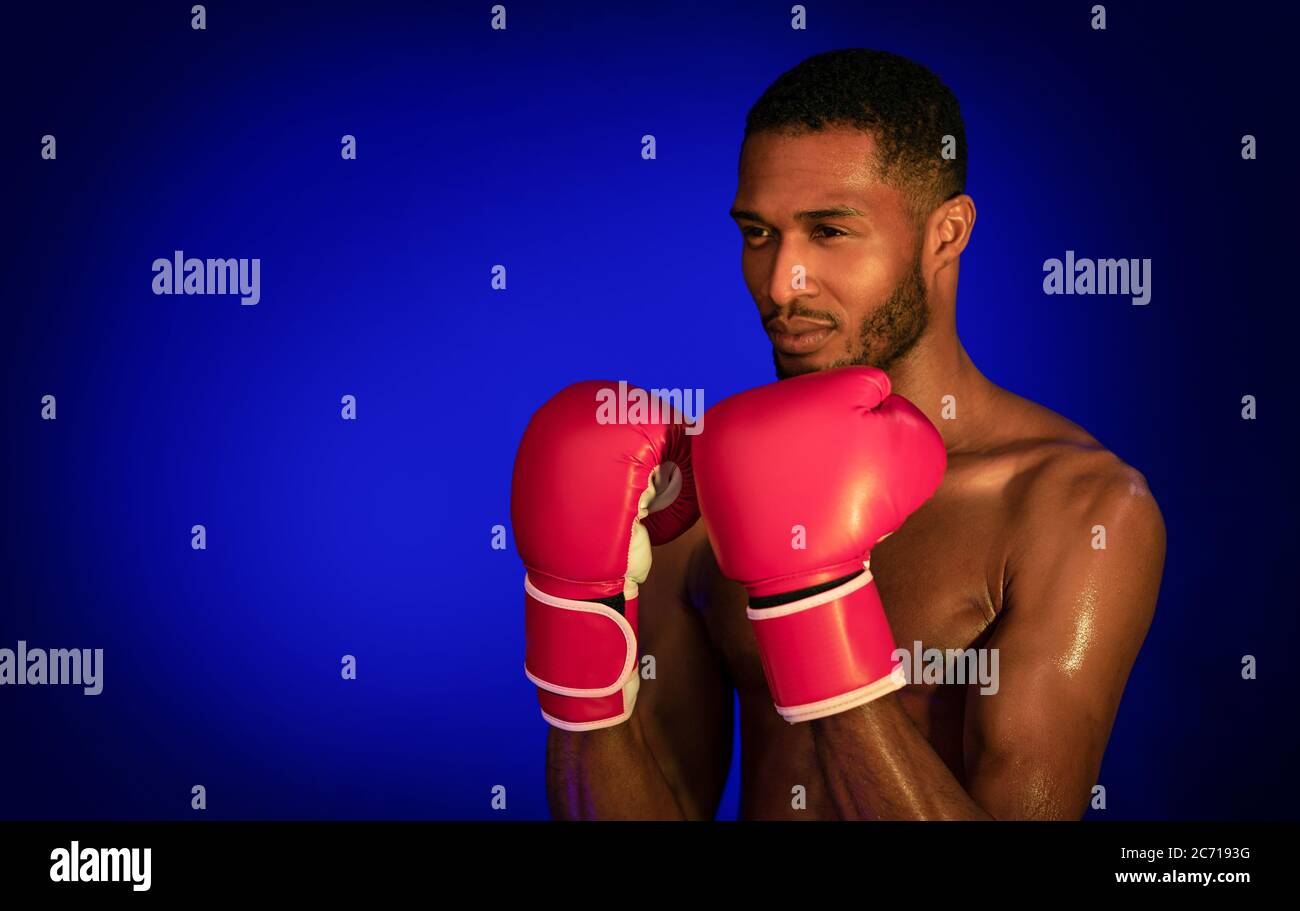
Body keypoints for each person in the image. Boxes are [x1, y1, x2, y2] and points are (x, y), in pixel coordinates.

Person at [513, 48, 1166, 820]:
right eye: (759, 233)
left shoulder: (1076, 508)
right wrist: (578, 652)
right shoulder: (697, 495)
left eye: (828, 231)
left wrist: (812, 601)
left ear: (945, 234)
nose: (783, 280)